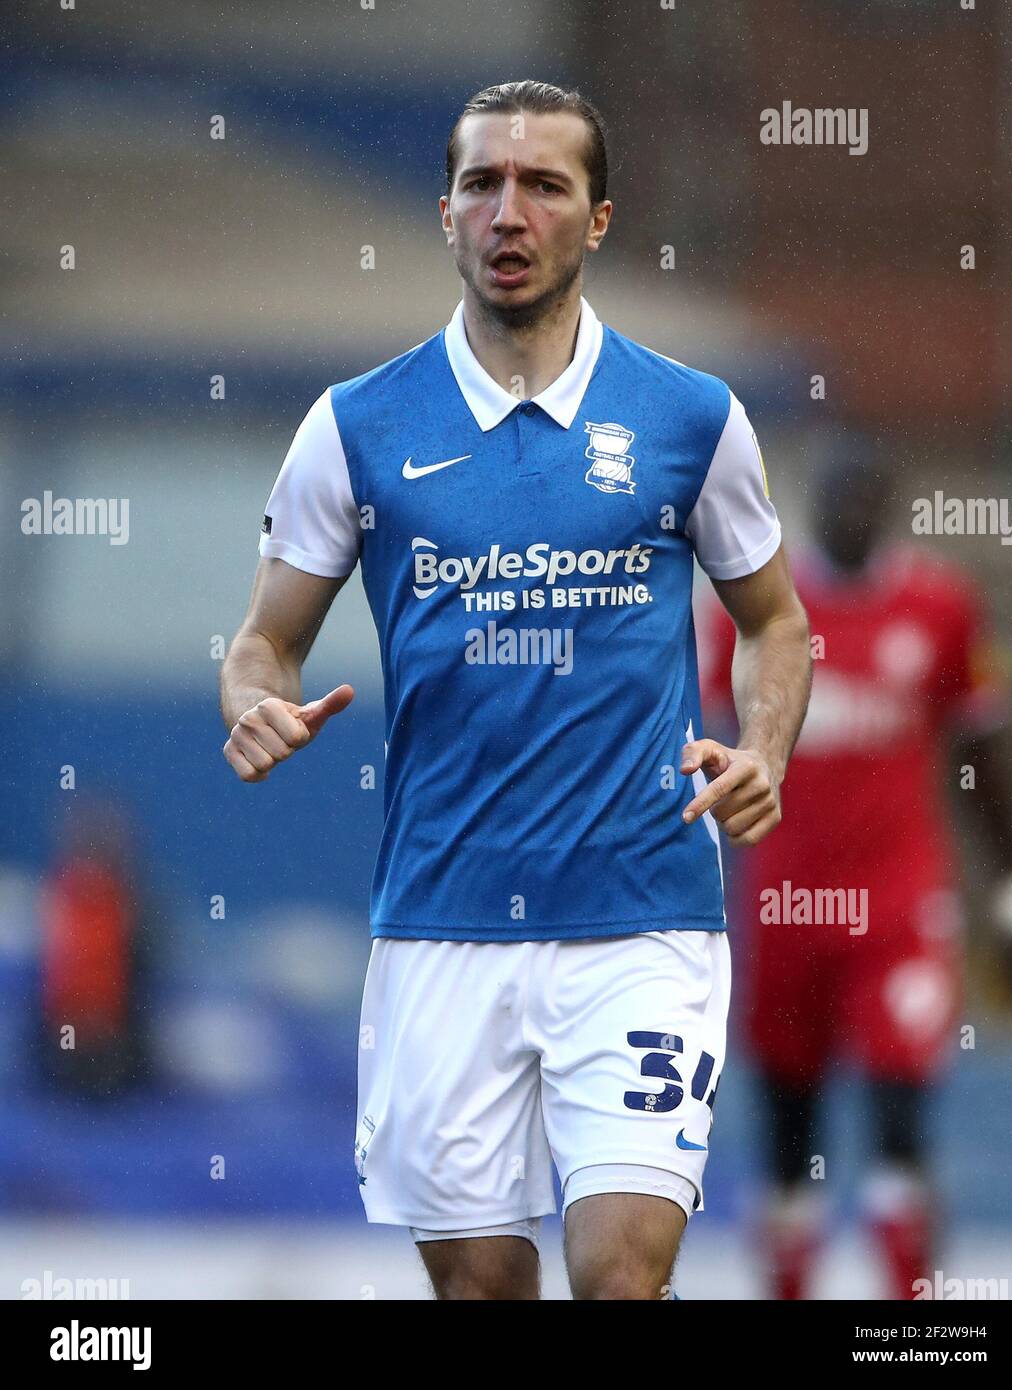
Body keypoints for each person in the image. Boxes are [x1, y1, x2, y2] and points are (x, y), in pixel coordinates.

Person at [220, 80, 812, 1300]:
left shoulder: (691, 419)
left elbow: (777, 626)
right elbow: (260, 643)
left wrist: (763, 744)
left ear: (596, 220)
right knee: (483, 1287)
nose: (509, 211)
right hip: (442, 920)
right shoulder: (354, 427)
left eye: (543, 184)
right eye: (483, 183)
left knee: (619, 1274)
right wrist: (252, 700)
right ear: (443, 213)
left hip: (642, 918)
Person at [701, 428, 1012, 1299]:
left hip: (897, 910)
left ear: (889, 509)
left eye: (868, 499)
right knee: (786, 1137)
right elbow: (697, 759)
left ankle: (909, 1325)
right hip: (782, 910)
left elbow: (984, 762)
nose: (852, 514)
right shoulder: (748, 619)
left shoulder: (938, 608)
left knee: (898, 1118)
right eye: (837, 498)